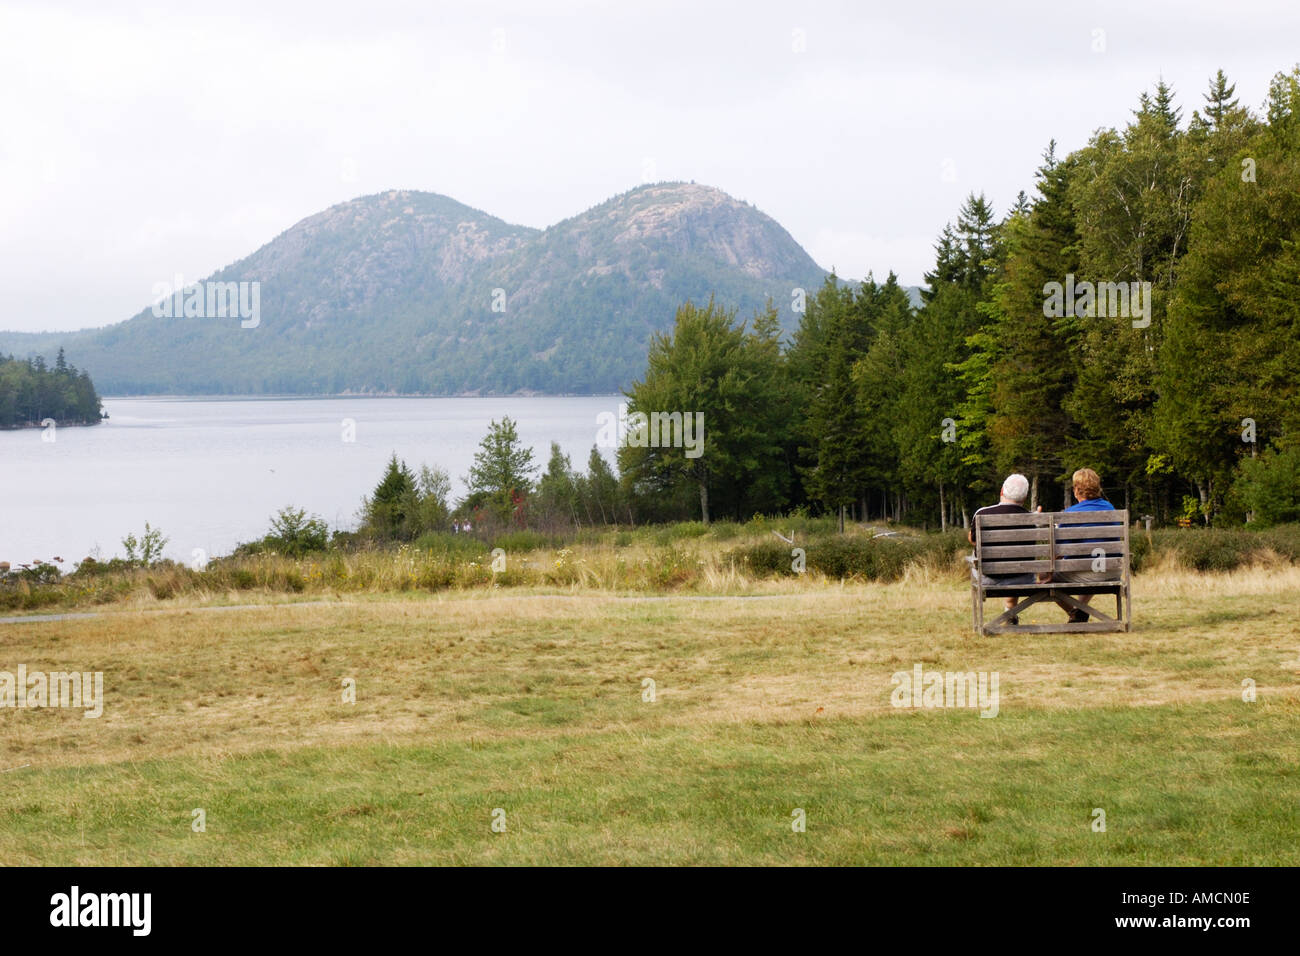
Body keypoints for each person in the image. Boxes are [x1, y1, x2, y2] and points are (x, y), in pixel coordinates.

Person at [1052, 467, 1121, 622]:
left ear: (1077, 490)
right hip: (1112, 571)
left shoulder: (1071, 513)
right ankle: (1079, 612)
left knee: (1050, 580)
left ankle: (1075, 612)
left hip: (1090, 572)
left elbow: (1060, 550)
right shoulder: (1111, 509)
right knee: (1092, 565)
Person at [969, 473, 1036, 625]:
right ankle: (1010, 612)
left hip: (989, 578)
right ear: (1024, 497)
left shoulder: (982, 514)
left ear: (1001, 491)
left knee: (976, 557)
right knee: (1017, 562)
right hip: (1023, 579)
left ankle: (1007, 614)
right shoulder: (1033, 518)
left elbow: (974, 541)